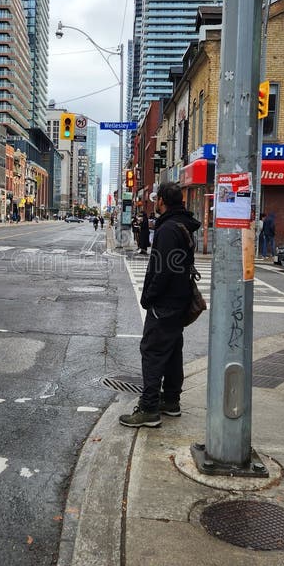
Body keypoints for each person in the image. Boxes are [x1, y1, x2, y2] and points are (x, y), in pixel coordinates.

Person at [120, 182, 201, 428]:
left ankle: (149, 409)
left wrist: (149, 297)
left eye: (157, 199)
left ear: (163, 201)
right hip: (179, 299)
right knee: (173, 351)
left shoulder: (167, 229)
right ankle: (171, 401)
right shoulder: (182, 225)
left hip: (165, 302)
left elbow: (163, 269)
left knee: (153, 353)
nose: (155, 203)